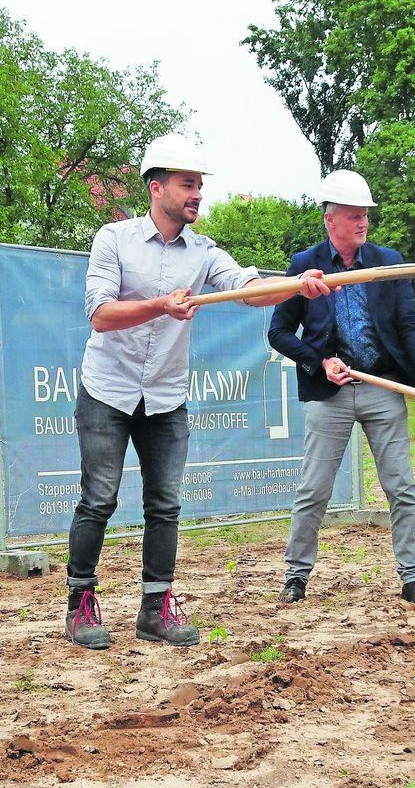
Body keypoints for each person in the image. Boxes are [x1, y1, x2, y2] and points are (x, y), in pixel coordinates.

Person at [64, 136, 332, 649]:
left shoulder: (204, 252)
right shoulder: (113, 239)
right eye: (188, 185)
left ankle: (155, 609)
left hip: (165, 396)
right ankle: (80, 605)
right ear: (156, 186)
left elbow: (251, 291)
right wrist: (160, 305)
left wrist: (298, 284)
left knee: (164, 505)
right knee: (98, 500)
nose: (197, 196)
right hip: (107, 391)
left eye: (200, 187)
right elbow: (99, 313)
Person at [267, 170, 415, 606]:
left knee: (401, 485)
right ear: (331, 220)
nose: (362, 222)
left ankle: (414, 577)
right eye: (353, 216)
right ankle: (296, 575)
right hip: (327, 393)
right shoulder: (304, 266)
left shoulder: (389, 261)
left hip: (382, 386)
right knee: (315, 487)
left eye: (366, 215)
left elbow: (409, 323)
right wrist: (319, 361)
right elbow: (278, 332)